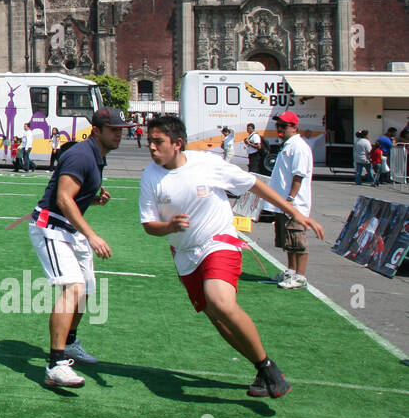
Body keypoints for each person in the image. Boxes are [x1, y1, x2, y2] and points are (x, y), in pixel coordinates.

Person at [138, 114, 325, 399]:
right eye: (149, 141)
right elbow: (149, 225)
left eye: (157, 141)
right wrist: (170, 227)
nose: (151, 147)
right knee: (217, 318)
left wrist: (294, 211)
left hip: (218, 242)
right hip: (185, 254)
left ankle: (269, 369)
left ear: (176, 143)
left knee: (219, 300)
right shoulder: (150, 176)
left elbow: (253, 184)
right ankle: (264, 367)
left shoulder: (207, 163)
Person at [28, 106, 131, 389]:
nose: (120, 135)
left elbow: (73, 196)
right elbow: (63, 198)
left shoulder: (97, 156)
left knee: (85, 289)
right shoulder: (81, 155)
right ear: (97, 130)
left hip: (68, 229)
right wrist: (93, 236)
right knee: (72, 287)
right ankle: (55, 364)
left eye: (121, 130)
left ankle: (70, 344)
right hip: (50, 227)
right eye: (114, 131)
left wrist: (94, 201)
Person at [260, 111, 314, 290]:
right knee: (287, 241)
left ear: (294, 127)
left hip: (294, 204)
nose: (280, 129)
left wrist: (290, 198)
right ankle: (291, 271)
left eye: (284, 126)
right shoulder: (287, 145)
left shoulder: (298, 146)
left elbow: (299, 175)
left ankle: (300, 276)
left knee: (297, 240)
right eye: (278, 125)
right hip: (283, 203)